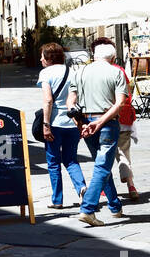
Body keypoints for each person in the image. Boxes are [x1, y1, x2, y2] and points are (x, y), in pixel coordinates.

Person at [74, 38, 129, 226]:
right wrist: (101, 121)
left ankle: (115, 205)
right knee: (103, 166)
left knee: (101, 164)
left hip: (86, 122)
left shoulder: (80, 71)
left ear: (94, 56)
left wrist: (80, 123)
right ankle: (87, 209)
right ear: (113, 57)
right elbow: (120, 102)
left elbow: (70, 103)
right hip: (107, 122)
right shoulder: (116, 72)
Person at [37, 43, 85, 210]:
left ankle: (57, 199)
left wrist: (46, 124)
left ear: (50, 58)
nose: (41, 59)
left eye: (43, 56)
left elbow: (48, 100)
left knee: (53, 161)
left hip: (55, 122)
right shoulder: (73, 72)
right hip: (72, 122)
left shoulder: (45, 73)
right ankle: (81, 188)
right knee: (71, 159)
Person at [104, 44, 141, 201]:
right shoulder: (120, 70)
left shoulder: (98, 71)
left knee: (104, 155)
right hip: (124, 117)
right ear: (113, 57)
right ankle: (131, 185)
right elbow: (127, 93)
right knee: (124, 153)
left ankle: (104, 187)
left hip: (105, 117)